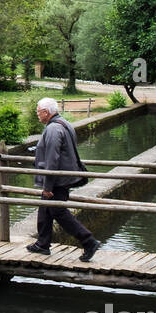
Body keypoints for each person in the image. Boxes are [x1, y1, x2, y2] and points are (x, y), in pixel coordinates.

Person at [27, 97, 100, 260]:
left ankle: (88, 241)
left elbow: (52, 160)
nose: (37, 114)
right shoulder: (64, 123)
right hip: (63, 177)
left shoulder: (53, 129)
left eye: (38, 112)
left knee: (58, 210)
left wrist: (47, 187)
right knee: (45, 209)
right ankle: (42, 243)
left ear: (46, 112)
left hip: (57, 180)